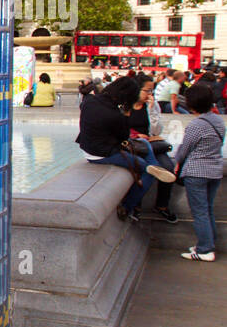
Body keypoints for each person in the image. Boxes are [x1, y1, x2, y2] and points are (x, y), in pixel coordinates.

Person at [76, 76, 176, 222]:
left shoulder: (90, 101)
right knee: (148, 171)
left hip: (88, 148)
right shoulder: (115, 115)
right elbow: (123, 137)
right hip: (104, 154)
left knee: (145, 145)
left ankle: (151, 167)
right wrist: (126, 113)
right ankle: (128, 206)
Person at [173, 83, 225, 261]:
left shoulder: (195, 125)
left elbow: (184, 149)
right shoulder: (218, 120)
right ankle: (208, 243)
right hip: (215, 170)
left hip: (196, 172)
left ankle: (204, 250)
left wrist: (176, 161)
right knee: (208, 210)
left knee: (199, 212)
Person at [128, 74, 177, 223]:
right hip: (133, 145)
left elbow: (156, 131)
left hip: (151, 144)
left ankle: (162, 205)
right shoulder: (125, 105)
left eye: (152, 91)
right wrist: (135, 136)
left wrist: (151, 110)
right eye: (147, 91)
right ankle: (135, 205)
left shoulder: (152, 106)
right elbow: (118, 127)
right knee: (138, 169)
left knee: (168, 167)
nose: (150, 95)